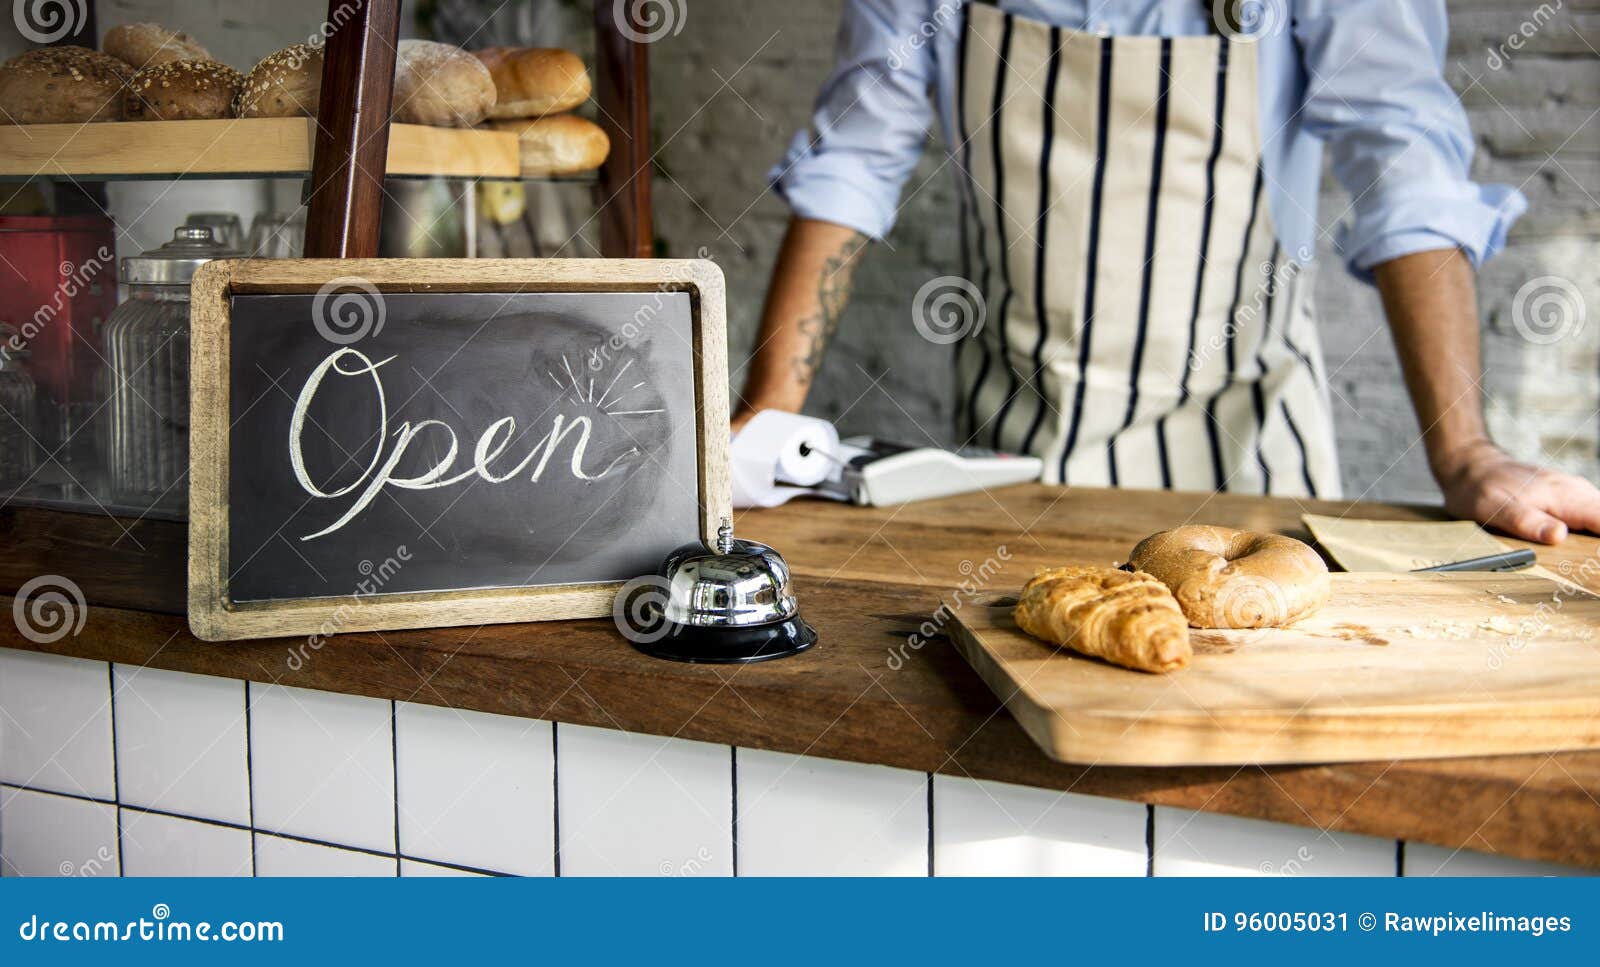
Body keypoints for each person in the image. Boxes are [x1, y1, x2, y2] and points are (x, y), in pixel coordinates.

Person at [732, 0, 1600, 543]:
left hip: (1254, 467)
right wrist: (767, 419)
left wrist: (1465, 453)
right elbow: (854, 159)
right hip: (1011, 464)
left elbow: (1406, 169)